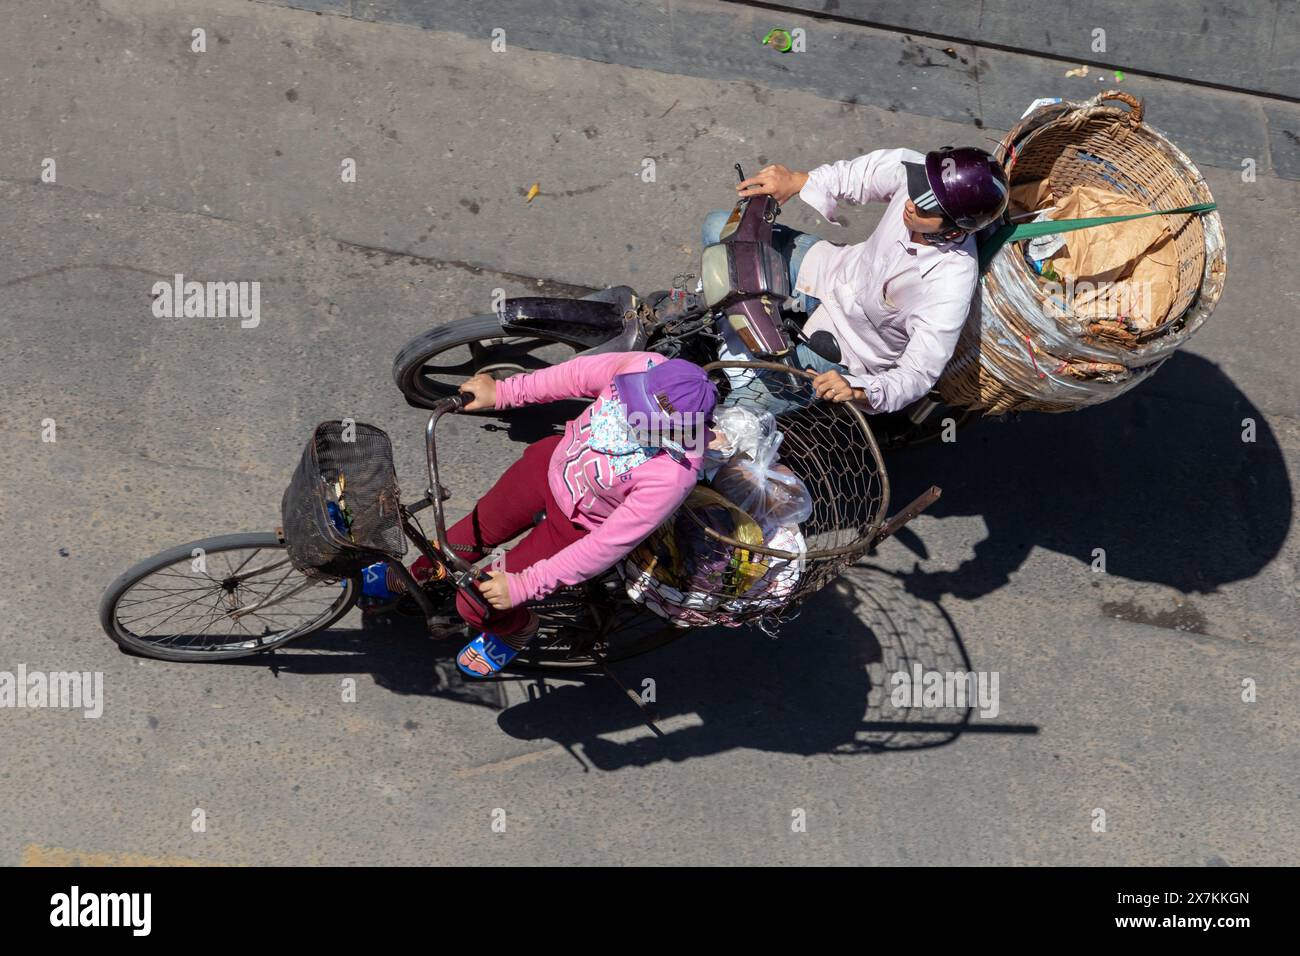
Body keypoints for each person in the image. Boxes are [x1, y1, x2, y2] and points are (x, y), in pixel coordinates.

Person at [363, 353, 718, 678]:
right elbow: (574, 376)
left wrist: (524, 585)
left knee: (475, 603)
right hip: (547, 466)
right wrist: (504, 392)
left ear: (674, 429)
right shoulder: (643, 366)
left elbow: (606, 546)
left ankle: (517, 628)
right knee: (468, 535)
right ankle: (414, 576)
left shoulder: (672, 474)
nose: (626, 408)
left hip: (575, 527)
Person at [702, 146, 1008, 412]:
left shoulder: (949, 285)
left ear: (952, 231)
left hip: (852, 344)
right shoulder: (922, 177)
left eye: (926, 207)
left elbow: (917, 374)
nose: (911, 202)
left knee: (740, 405)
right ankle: (734, 330)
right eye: (917, 188)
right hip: (831, 271)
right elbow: (860, 175)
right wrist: (798, 181)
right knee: (718, 229)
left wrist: (857, 389)